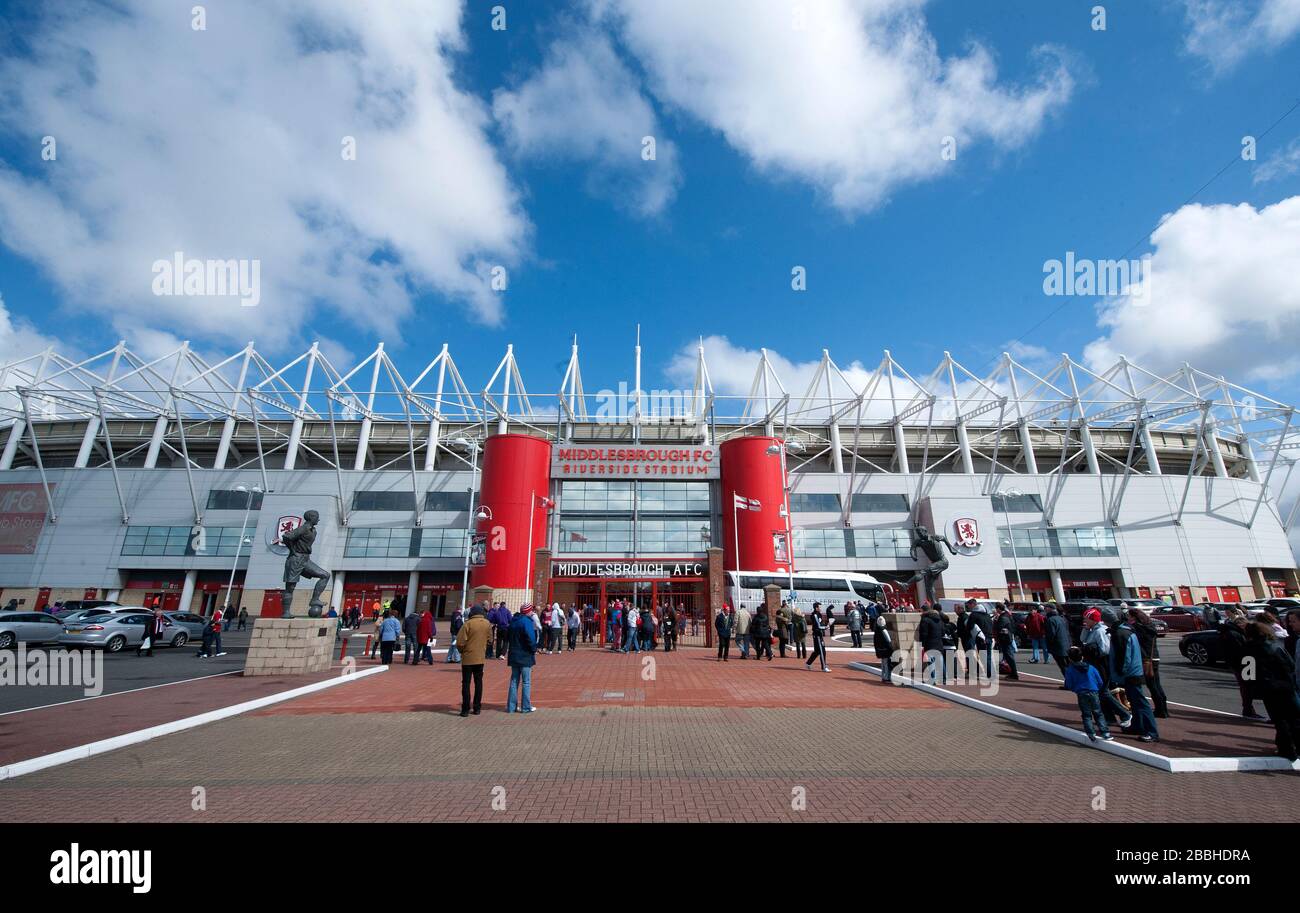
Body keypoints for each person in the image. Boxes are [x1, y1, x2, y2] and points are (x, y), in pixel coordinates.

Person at [1243, 622, 1299, 760]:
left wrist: (1254, 687)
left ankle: (1286, 749)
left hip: (1267, 689)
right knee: (1294, 718)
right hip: (1285, 687)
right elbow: (1290, 666)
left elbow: (1247, 674)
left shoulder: (1247, 650)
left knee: (1279, 719)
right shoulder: (1275, 647)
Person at [1080, 609, 1133, 728]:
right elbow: (1082, 639)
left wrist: (1090, 650)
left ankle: (1125, 714)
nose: (1084, 620)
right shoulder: (1092, 629)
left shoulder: (1100, 631)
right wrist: (1085, 629)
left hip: (1102, 665)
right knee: (1100, 693)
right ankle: (1110, 718)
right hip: (1095, 665)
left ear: (1092, 619)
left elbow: (1105, 649)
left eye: (1086, 618)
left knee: (1103, 692)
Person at [1111, 613, 1158, 742]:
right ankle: (1137, 726)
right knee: (1134, 701)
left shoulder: (1122, 633)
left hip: (1132, 673)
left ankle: (1152, 732)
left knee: (1140, 702)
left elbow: (1124, 656)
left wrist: (1121, 671)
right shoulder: (1127, 630)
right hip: (1133, 671)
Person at [1218, 608, 1265, 720]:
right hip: (1243, 664)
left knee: (1247, 687)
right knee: (1247, 687)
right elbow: (1241, 650)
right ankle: (1248, 709)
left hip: (1241, 663)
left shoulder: (1231, 632)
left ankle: (1248, 709)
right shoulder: (1234, 634)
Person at [1064, 646, 1113, 742]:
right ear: (1082, 657)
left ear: (1070, 659)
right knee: (1098, 713)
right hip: (1093, 691)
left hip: (1081, 693)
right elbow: (1100, 681)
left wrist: (1075, 689)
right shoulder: (1091, 667)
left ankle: (1091, 733)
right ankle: (1105, 733)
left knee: (1086, 714)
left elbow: (1068, 684)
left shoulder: (1070, 670)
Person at [1128, 607, 1168, 718]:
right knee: (1157, 684)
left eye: (1130, 616)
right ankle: (1163, 708)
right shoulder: (1150, 626)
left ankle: (1160, 710)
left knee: (1152, 685)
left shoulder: (1137, 628)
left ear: (1134, 617)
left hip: (1146, 659)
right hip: (1154, 657)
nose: (1128, 618)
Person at [455, 604, 491, 717]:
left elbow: (460, 642)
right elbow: (490, 640)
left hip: (468, 657)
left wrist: (462, 651)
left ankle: (465, 709)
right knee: (478, 683)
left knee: (466, 683)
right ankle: (477, 707)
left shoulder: (468, 624)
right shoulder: (487, 624)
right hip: (480, 657)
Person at [506, 604, 539, 713]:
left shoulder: (513, 621)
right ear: (528, 611)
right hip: (525, 655)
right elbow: (531, 638)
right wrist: (534, 649)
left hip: (514, 654)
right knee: (526, 682)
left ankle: (511, 707)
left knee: (514, 681)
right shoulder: (526, 622)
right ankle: (526, 707)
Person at [916, 605, 945, 684]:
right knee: (940, 661)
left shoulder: (925, 620)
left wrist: (922, 645)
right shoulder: (940, 620)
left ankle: (932, 679)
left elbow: (923, 634)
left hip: (929, 644)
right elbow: (943, 632)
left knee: (931, 662)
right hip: (939, 643)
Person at [1043, 604, 1071, 682]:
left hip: (1058, 646)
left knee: (1063, 666)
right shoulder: (1062, 618)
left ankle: (1069, 682)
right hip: (1066, 644)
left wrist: (1049, 644)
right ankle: (1071, 681)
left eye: (1046, 608)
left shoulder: (1050, 620)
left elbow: (1051, 634)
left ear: (1049, 609)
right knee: (1068, 665)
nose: (1045, 609)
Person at [967, 599, 993, 680]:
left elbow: (969, 626)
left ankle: (989, 675)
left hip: (981, 638)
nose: (968, 607)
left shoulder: (974, 615)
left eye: (969, 605)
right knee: (988, 656)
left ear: (973, 604)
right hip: (989, 637)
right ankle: (991, 673)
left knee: (983, 656)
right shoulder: (987, 614)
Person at [994, 605, 1020, 680]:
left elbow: (999, 628)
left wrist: (996, 621)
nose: (996, 611)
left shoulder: (1003, 617)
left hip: (1005, 639)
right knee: (1008, 656)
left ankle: (1014, 674)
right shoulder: (1007, 615)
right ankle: (1013, 673)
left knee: (1009, 656)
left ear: (999, 609)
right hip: (1007, 638)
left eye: (996, 609)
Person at [805, 603, 830, 672]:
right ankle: (824, 667)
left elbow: (821, 623)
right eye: (819, 607)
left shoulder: (819, 614)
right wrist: (825, 627)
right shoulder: (815, 615)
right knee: (822, 651)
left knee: (817, 651)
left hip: (820, 634)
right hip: (817, 635)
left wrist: (826, 624)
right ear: (816, 608)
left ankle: (808, 663)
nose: (821, 608)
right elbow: (818, 626)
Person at [872, 614, 895, 684]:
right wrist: (892, 649)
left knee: (883, 663)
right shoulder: (884, 630)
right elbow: (888, 641)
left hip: (880, 650)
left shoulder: (876, 632)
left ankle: (883, 676)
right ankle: (887, 677)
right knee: (887, 664)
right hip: (886, 650)